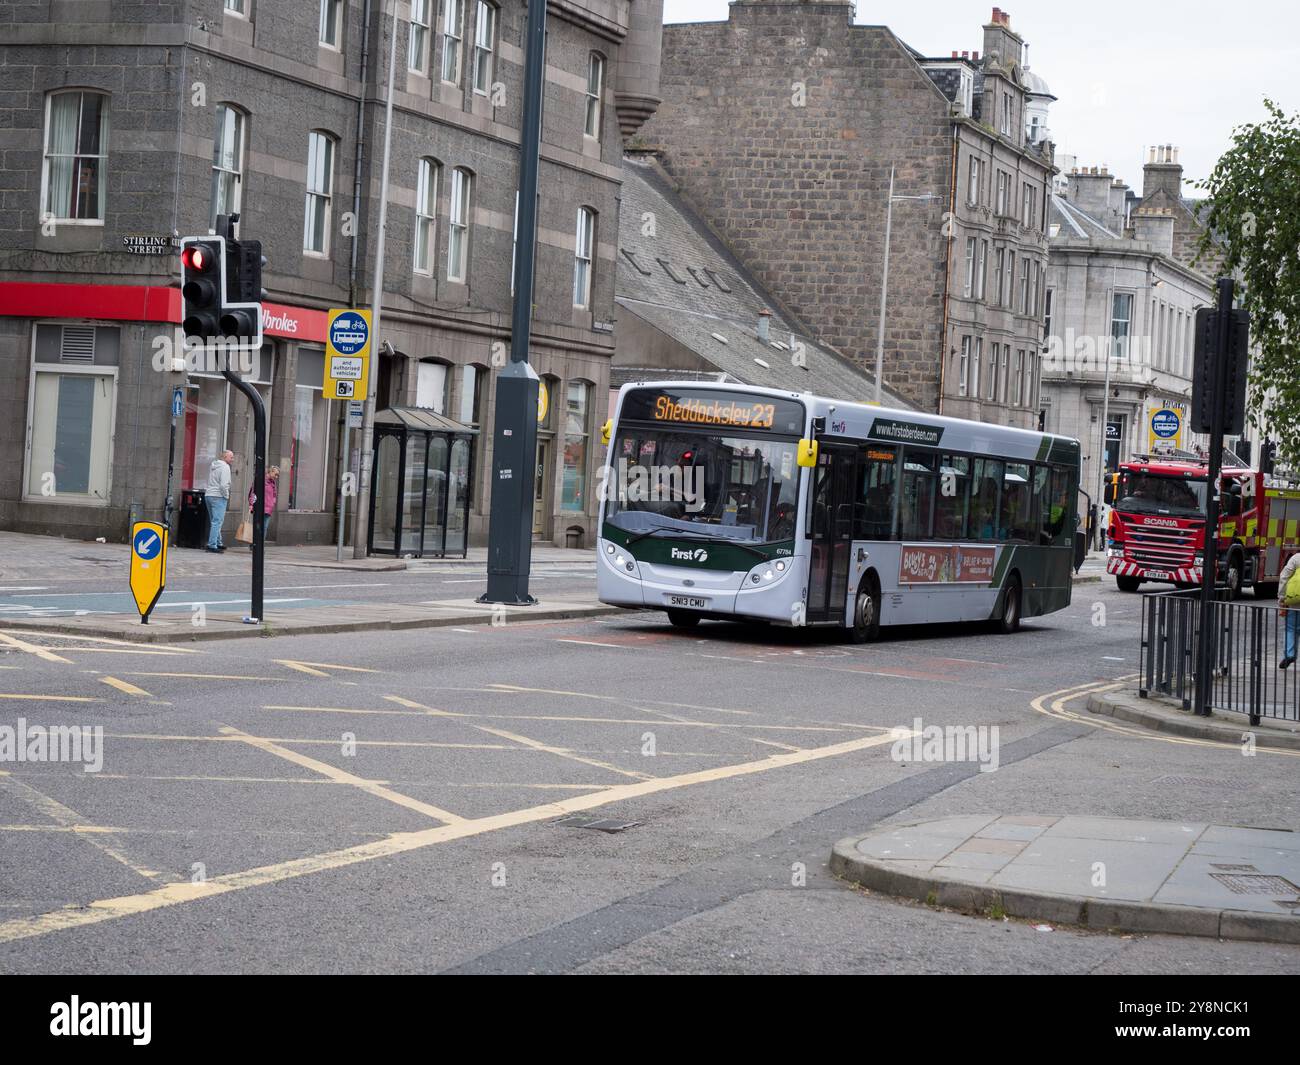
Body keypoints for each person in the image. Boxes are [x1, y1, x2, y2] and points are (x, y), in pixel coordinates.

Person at [205, 450, 233, 552]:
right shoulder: (225, 467)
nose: (232, 459)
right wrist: (226, 495)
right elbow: (223, 485)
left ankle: (218, 542)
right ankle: (212, 545)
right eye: (231, 457)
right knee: (217, 521)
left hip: (209, 495)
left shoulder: (214, 465)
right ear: (225, 457)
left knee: (214, 521)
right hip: (219, 496)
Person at [247, 466, 279, 544]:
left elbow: (274, 495)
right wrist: (251, 504)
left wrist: (273, 503)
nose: (276, 477)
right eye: (275, 474)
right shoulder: (260, 480)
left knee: (264, 528)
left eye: (277, 475)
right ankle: (254, 544)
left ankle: (260, 545)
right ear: (270, 472)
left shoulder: (273, 483)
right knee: (258, 527)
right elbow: (253, 493)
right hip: (259, 508)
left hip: (268, 509)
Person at [1279, 552, 1300, 670]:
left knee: (1291, 629)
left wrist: (1282, 598)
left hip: (1295, 601)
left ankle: (1290, 654)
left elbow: (1284, 577)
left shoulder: (1296, 558)